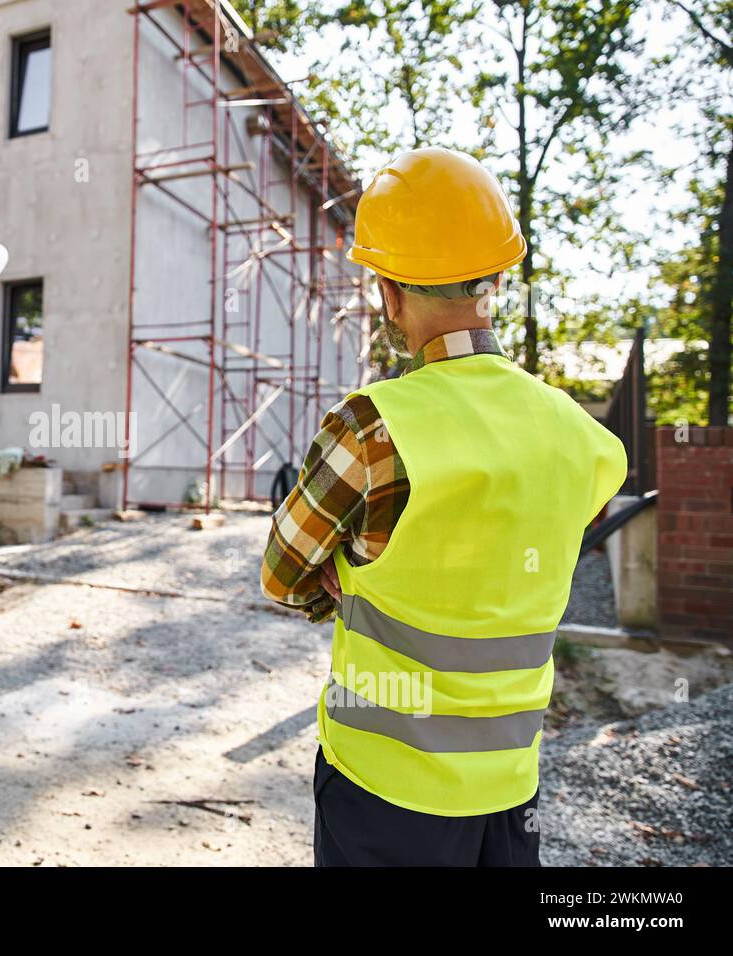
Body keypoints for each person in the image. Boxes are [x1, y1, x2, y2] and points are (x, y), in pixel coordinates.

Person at [260, 147, 627, 866]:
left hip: (383, 786)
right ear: (491, 279)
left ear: (389, 293)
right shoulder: (577, 435)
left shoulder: (370, 428)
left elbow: (281, 576)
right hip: (511, 785)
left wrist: (347, 578)